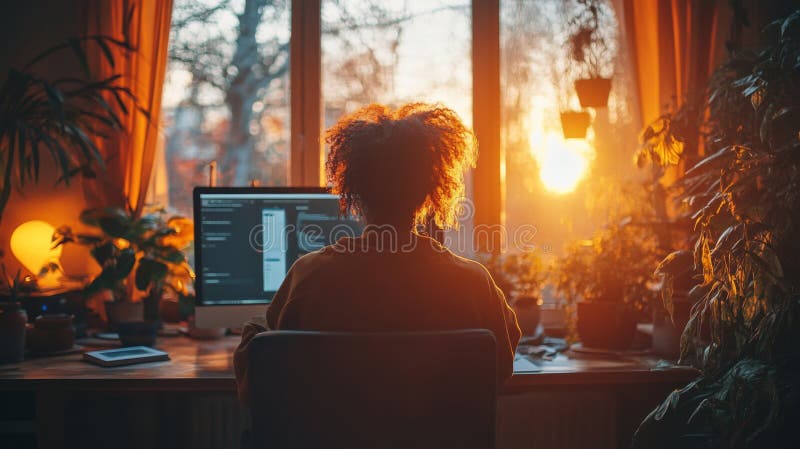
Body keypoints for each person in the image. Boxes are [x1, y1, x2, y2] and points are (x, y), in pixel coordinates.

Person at [234, 103, 520, 403]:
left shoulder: (309, 276)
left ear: (354, 192)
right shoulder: (474, 283)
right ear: (429, 191)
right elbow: (500, 366)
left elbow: (263, 365)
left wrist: (254, 325)